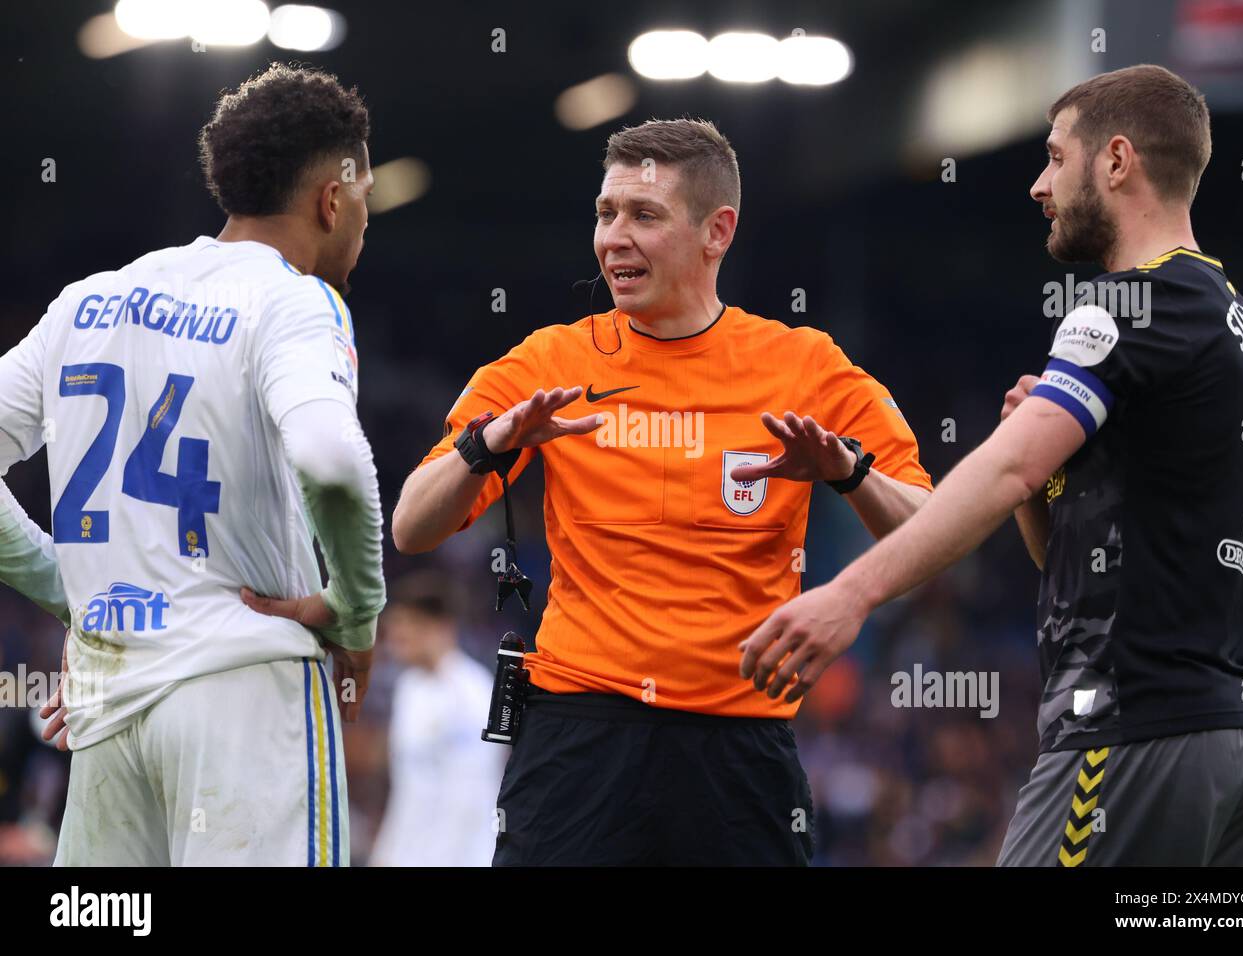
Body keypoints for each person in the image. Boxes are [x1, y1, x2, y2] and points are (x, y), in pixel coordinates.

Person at [741, 64, 1243, 866]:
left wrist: (848, 593)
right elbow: (1059, 545)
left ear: (1118, 160)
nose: (1037, 185)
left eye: (1056, 158)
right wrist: (1046, 482)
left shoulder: (1127, 306)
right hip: (1236, 747)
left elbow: (1004, 473)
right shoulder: (1235, 320)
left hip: (1130, 733)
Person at [393, 117, 933, 865]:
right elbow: (411, 526)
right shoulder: (549, 362)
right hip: (578, 735)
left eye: (644, 215)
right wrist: (488, 444)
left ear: (717, 231)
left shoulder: (804, 366)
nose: (614, 236)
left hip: (738, 747)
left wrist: (849, 472)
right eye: (605, 213)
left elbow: (934, 533)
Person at [0, 63, 386, 865]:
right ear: (332, 199)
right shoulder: (294, 302)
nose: (365, 219)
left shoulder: (87, 301)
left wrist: (62, 586)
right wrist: (355, 610)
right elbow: (334, 462)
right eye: (368, 197)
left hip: (106, 704)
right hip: (244, 688)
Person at [370, 571, 504, 866]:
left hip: (463, 857)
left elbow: (469, 797)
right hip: (410, 855)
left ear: (439, 627)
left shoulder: (472, 694)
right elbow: (407, 788)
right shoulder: (410, 689)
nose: (395, 641)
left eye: (406, 629)